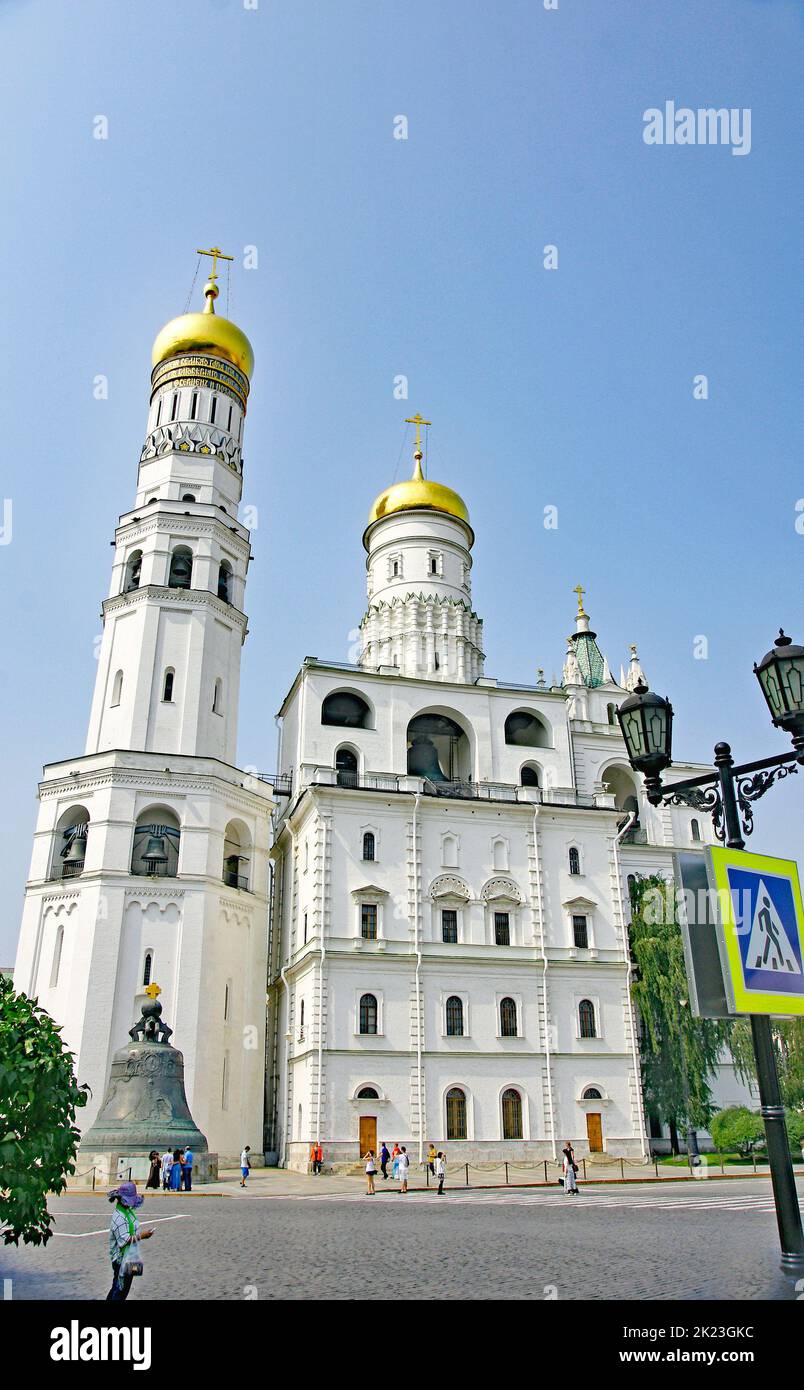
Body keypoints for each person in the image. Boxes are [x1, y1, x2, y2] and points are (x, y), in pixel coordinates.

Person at [106, 1181, 154, 1301]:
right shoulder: (120, 1218)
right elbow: (125, 1240)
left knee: (118, 1287)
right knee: (120, 1290)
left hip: (129, 1257)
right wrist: (142, 1236)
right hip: (121, 1260)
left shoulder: (126, 1212)